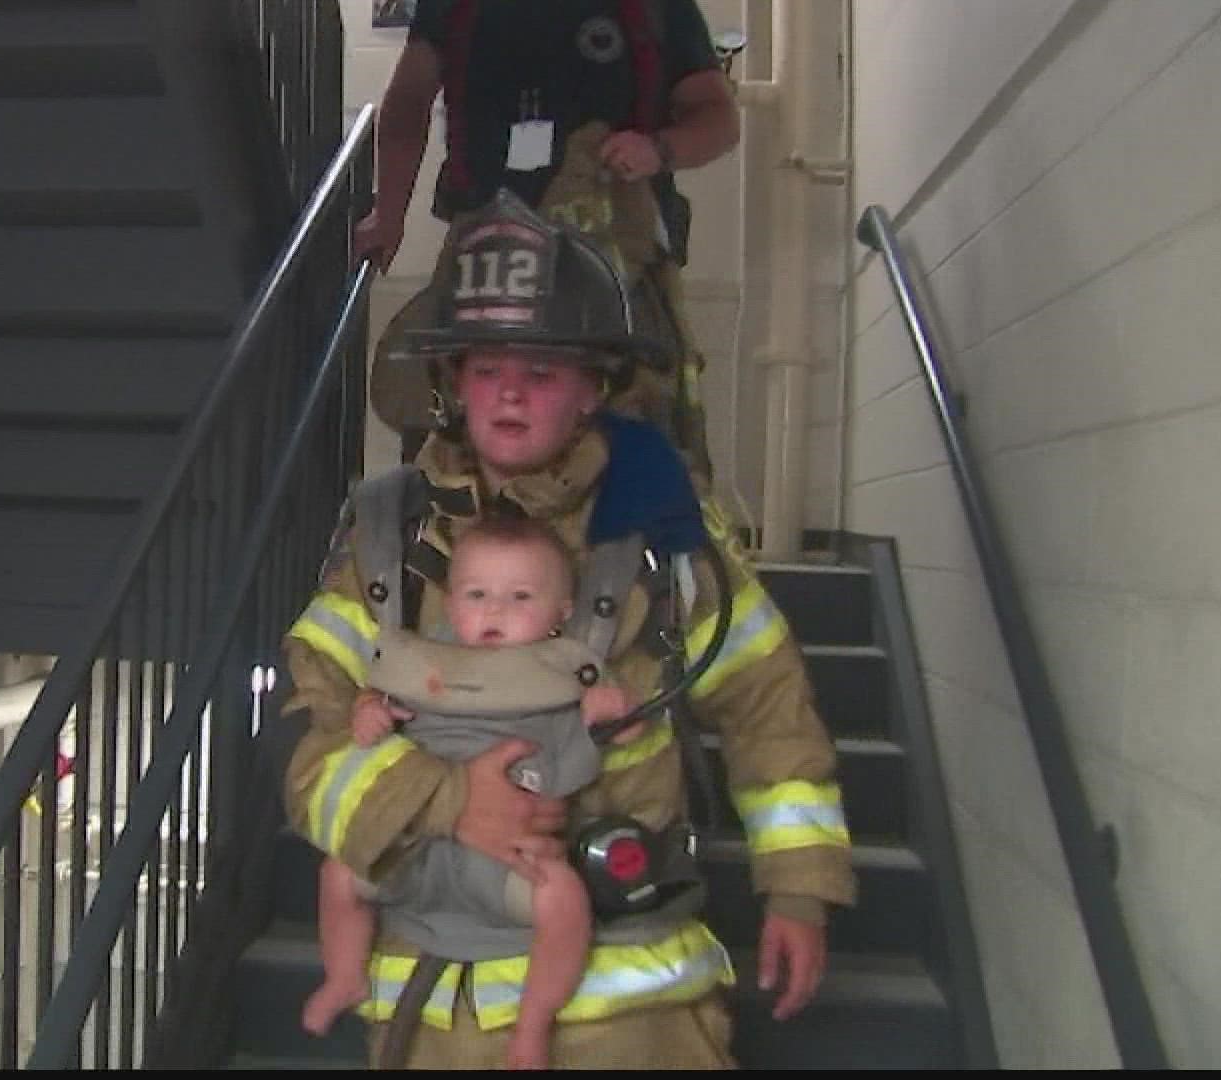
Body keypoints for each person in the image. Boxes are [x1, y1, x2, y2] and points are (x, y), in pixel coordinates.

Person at [278, 192, 854, 1068]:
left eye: (543, 371)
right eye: (486, 367)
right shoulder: (387, 543)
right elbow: (305, 743)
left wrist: (800, 889)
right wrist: (448, 800)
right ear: (451, 381)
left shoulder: (661, 536)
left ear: (593, 390)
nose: (510, 390)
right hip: (427, 1007)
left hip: (625, 1012)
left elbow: (767, 707)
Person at [300, 516, 645, 1069]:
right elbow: (378, 727)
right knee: (339, 874)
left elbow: (599, 746)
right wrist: (368, 713)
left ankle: (533, 1024)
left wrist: (612, 717)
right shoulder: (419, 667)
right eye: (477, 594)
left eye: (520, 596)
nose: (495, 611)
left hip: (508, 864)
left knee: (565, 899)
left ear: (562, 611)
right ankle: (345, 977)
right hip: (418, 850)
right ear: (451, 603)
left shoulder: (563, 681)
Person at [355, 0, 743, 480]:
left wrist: (660, 150)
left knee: (632, 423)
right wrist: (387, 215)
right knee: (455, 432)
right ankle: (452, 543)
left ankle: (632, 546)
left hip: (619, 261)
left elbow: (718, 118)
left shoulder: (658, 8)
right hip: (486, 258)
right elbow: (408, 102)